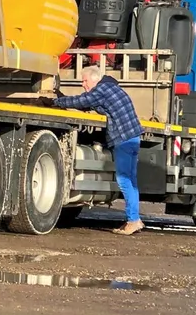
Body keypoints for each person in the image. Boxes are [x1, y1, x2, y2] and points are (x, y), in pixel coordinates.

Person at [51, 65, 145, 235]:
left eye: (84, 80)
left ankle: (133, 221)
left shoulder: (102, 90)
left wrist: (56, 101)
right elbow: (87, 102)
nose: (82, 84)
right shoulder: (111, 87)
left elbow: (82, 101)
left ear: (94, 79)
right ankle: (135, 219)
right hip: (133, 137)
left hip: (123, 139)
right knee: (131, 181)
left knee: (124, 181)